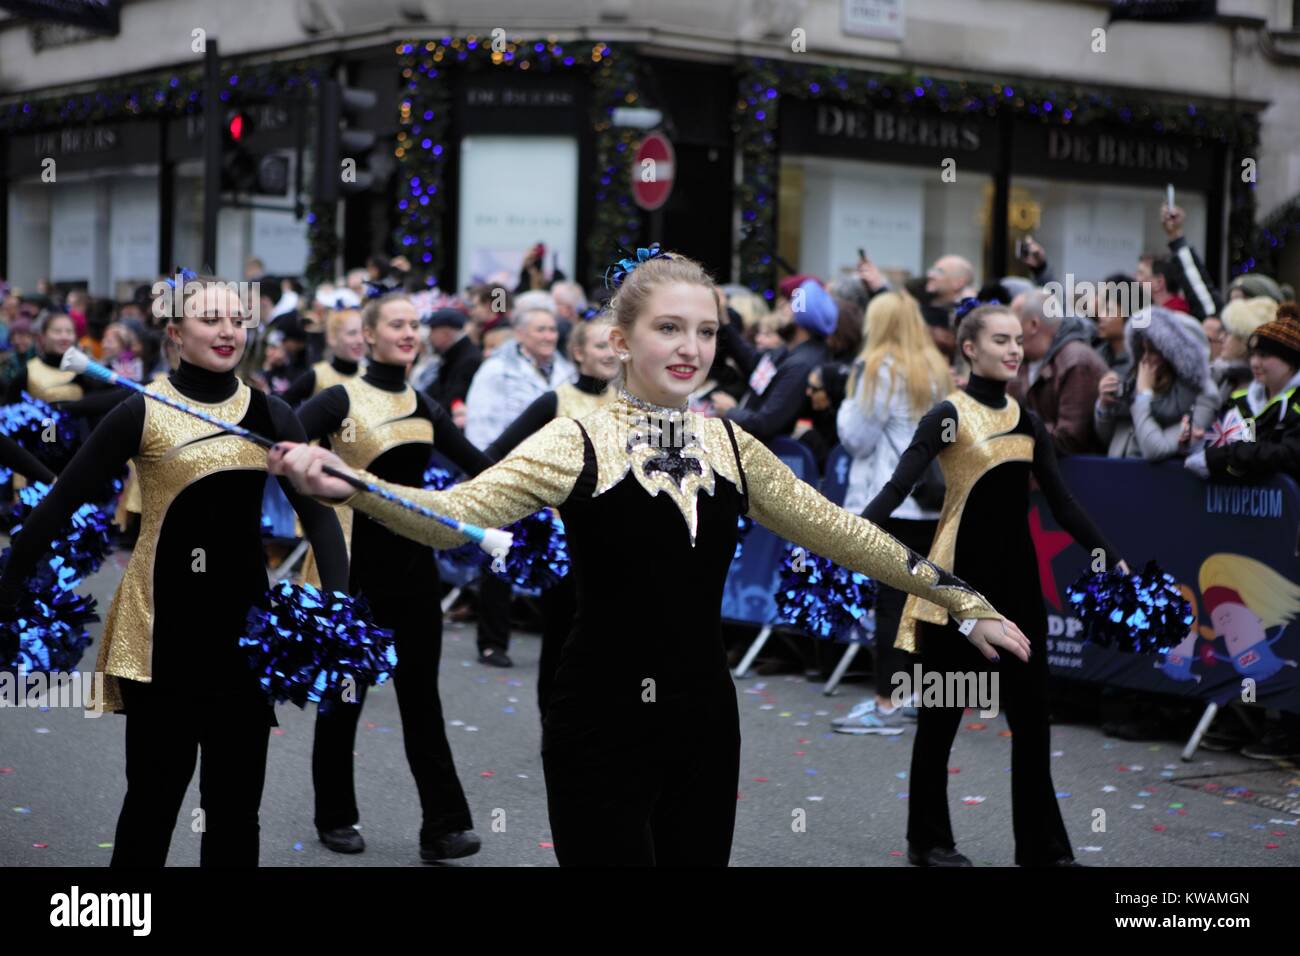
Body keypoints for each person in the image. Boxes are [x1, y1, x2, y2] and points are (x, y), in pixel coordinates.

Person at [268, 248, 1030, 867]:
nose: (691, 348)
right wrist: (352, 484)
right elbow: (455, 518)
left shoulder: (734, 446)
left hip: (705, 721)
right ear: (623, 340)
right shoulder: (576, 438)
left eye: (705, 332)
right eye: (669, 328)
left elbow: (847, 534)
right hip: (598, 718)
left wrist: (966, 603)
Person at [0, 277, 349, 867]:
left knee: (236, 810)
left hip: (247, 639)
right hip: (163, 634)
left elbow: (321, 521)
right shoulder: (141, 409)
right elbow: (59, 504)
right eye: (211, 319)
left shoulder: (274, 413)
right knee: (154, 802)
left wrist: (335, 612)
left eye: (237, 320)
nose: (227, 330)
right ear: (175, 333)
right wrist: (8, 593)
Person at [863, 302, 1128, 867]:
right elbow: (897, 488)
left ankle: (1043, 848)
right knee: (942, 719)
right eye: (1000, 340)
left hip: (1019, 584)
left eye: (1016, 340)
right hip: (957, 589)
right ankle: (928, 841)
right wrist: (848, 536)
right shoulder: (946, 414)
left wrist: (1111, 557)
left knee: (1033, 722)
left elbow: (1063, 502)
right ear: (969, 349)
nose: (1013, 348)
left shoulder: (1030, 422)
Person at [294, 292, 490, 863]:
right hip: (352, 567)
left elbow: (480, 463)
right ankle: (335, 814)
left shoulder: (423, 403)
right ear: (369, 335)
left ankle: (445, 826)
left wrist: (545, 490)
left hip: (413, 568)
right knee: (345, 695)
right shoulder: (339, 399)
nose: (408, 333)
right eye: (396, 325)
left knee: (420, 698)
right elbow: (282, 436)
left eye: (414, 325)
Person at [484, 313, 619, 718]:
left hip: (615, 539)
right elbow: (498, 451)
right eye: (599, 346)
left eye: (615, 344)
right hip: (565, 541)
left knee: (610, 636)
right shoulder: (555, 400)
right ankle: (554, 721)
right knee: (562, 636)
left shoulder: (632, 401)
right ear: (577, 353)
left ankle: (602, 722)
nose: (610, 353)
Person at [833, 291, 951, 735]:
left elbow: (856, 437)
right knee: (921, 603)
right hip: (929, 502)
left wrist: (847, 397)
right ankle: (917, 695)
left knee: (890, 604)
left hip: (892, 496)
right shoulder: (936, 368)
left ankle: (886, 703)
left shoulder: (879, 368)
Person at [465, 291, 576, 667]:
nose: (550, 336)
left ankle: (557, 636)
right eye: (541, 330)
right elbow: (482, 426)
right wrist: (488, 473)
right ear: (521, 334)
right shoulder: (495, 370)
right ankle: (492, 641)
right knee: (499, 555)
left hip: (552, 478)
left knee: (552, 551)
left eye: (552, 330)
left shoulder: (565, 370)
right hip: (509, 473)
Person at [1185, 302, 1300, 484]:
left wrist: (1224, 457)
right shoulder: (1242, 400)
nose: (1254, 362)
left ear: (1291, 362)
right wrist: (1193, 441)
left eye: (1264, 355)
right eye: (1253, 354)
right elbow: (1220, 440)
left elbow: (1288, 454)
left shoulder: (1296, 405)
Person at [711, 277, 832, 441]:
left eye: (789, 306)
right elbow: (753, 363)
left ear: (802, 318)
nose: (780, 311)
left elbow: (766, 423)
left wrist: (731, 411)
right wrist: (724, 319)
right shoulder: (788, 351)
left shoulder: (801, 365)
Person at [1094, 305, 1218, 461]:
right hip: (1117, 474)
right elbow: (1109, 438)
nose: (1144, 358)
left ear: (1175, 356)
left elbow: (1156, 449)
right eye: (1143, 350)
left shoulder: (1203, 395)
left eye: (1153, 351)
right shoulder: (1137, 381)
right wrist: (1104, 406)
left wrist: (1143, 396)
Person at [1008, 289, 1108, 455]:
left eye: (1013, 321)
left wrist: (1012, 431)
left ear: (1033, 325)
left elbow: (1070, 439)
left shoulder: (1076, 362)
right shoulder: (1020, 361)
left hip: (1078, 476)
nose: (1006, 329)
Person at [280, 308, 366, 407]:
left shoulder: (367, 375)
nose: (360, 340)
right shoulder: (317, 375)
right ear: (332, 338)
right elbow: (282, 404)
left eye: (363, 333)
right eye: (352, 333)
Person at [1212, 296, 1276, 407]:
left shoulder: (1259, 383)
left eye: (1229, 333)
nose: (1221, 337)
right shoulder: (1224, 375)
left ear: (1245, 340)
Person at [422, 307, 482, 414]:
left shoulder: (469, 361)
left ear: (446, 333)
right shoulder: (454, 356)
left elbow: (451, 401)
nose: (429, 337)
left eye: (432, 331)